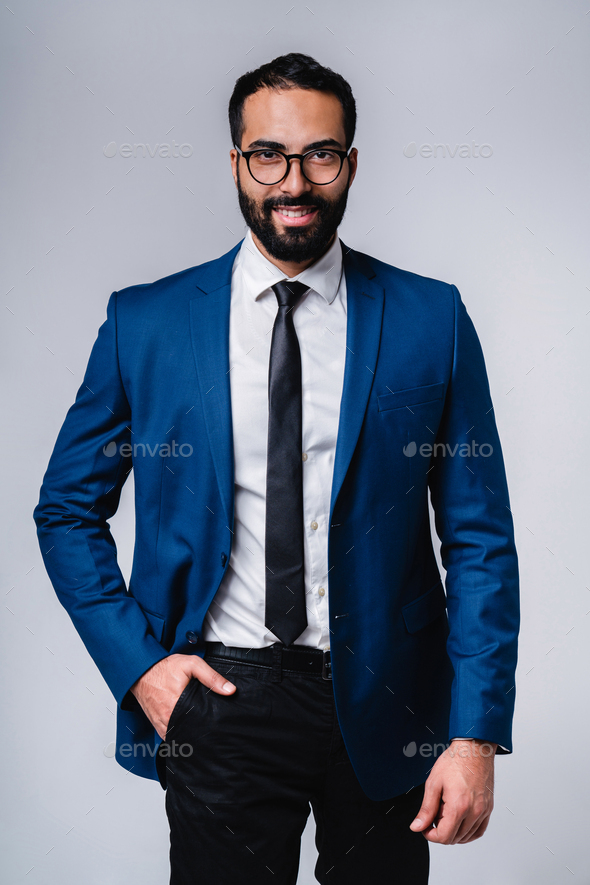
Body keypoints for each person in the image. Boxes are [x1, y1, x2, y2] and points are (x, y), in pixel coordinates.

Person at [33, 52, 520, 884]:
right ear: (237, 162)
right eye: (269, 155)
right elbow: (65, 509)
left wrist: (474, 733)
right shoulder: (146, 323)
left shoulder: (430, 317)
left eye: (319, 154)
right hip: (222, 697)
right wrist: (141, 667)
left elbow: (480, 539)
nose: (294, 182)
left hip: (387, 695)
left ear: (351, 163)